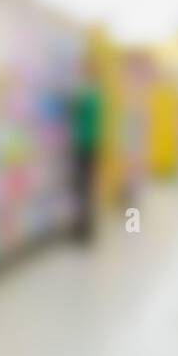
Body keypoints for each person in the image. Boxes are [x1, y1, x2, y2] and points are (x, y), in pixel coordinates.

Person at [69, 81, 103, 241]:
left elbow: (73, 110)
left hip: (83, 146)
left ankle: (83, 229)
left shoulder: (85, 97)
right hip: (93, 146)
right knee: (88, 187)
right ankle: (88, 228)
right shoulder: (96, 98)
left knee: (82, 187)